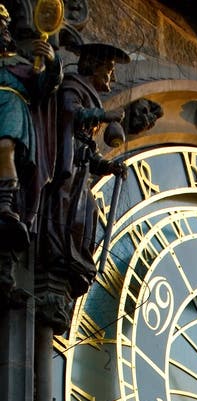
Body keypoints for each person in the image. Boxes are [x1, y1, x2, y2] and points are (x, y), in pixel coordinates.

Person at [38, 42, 129, 300]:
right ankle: (56, 251)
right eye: (109, 68)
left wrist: (107, 166)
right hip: (64, 165)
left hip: (80, 166)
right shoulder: (72, 86)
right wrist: (104, 115)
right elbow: (71, 114)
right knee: (66, 206)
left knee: (88, 210)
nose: (112, 75)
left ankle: (72, 257)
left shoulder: (87, 92)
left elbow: (88, 149)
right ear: (93, 66)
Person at [0, 4, 61, 250]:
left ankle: (4, 203)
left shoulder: (20, 63)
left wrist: (52, 61)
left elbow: (45, 86)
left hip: (11, 106)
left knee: (4, 148)